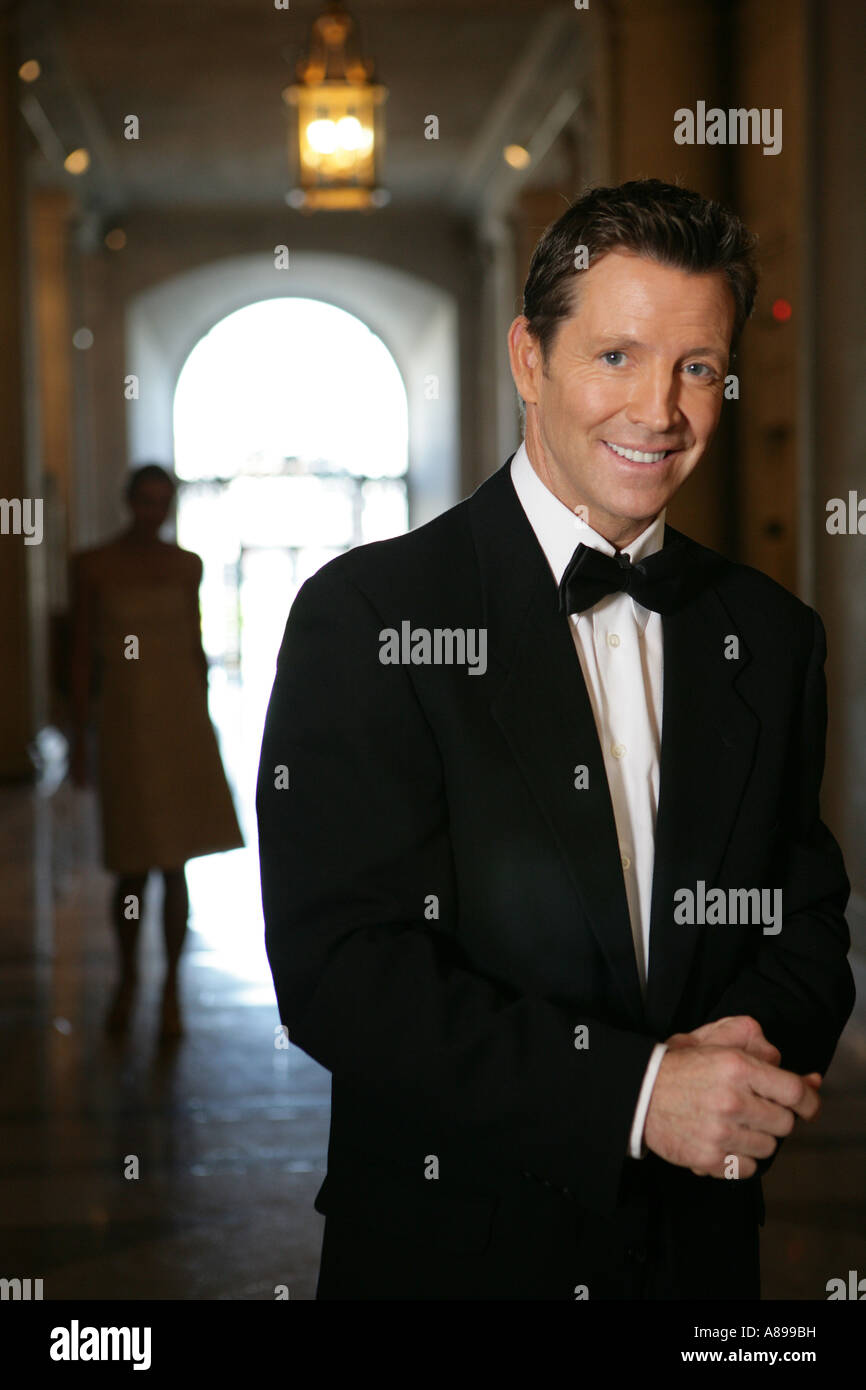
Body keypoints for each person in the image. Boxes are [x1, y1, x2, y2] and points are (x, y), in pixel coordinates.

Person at [256, 179, 854, 1299]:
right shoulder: (369, 615)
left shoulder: (770, 634)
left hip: (697, 1257)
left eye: (694, 367)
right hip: (454, 1255)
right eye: (615, 357)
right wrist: (636, 1096)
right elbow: (340, 971)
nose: (659, 410)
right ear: (529, 360)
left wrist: (745, 1051)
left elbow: (803, 915)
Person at [70, 464, 244, 1039]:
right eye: (145, 500)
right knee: (131, 864)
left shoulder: (185, 565)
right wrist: (78, 737)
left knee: (176, 860)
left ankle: (170, 986)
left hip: (180, 723)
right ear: (127, 501)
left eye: (163, 501)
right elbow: (80, 658)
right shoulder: (93, 566)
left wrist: (207, 717)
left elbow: (193, 645)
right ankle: (127, 980)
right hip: (123, 726)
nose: (153, 512)